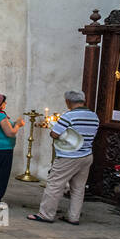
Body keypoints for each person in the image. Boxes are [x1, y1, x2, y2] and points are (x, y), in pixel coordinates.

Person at [30, 90, 100, 225]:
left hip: (69, 156)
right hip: (86, 155)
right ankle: (74, 217)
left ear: (68, 101)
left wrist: (53, 131)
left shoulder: (69, 116)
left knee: (55, 184)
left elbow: (55, 134)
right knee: (78, 188)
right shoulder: (94, 116)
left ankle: (46, 214)